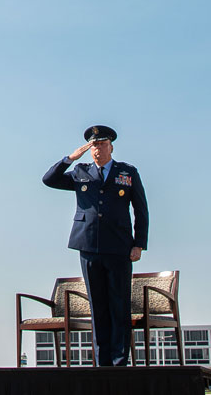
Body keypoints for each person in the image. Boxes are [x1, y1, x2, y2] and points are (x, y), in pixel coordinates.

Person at [41, 125, 148, 366]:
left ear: (111, 147)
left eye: (102, 144)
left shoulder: (127, 172)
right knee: (97, 307)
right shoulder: (81, 172)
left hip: (119, 246)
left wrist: (139, 244)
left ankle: (119, 363)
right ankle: (102, 364)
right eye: (94, 145)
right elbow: (49, 179)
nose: (98, 149)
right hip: (88, 245)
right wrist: (70, 158)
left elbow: (141, 210)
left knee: (119, 305)